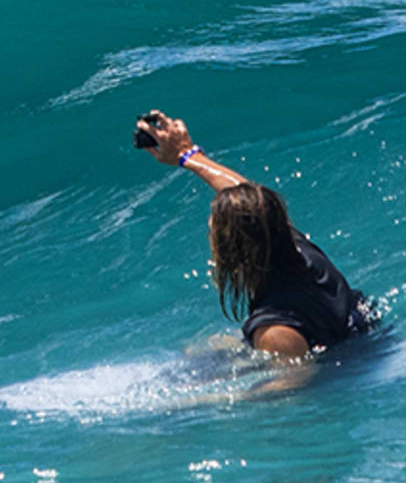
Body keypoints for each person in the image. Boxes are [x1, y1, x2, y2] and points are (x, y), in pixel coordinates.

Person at [133, 110, 378, 362]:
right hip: (359, 333)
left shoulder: (274, 331)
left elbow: (295, 382)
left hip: (349, 366)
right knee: (200, 349)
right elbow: (247, 197)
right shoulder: (293, 248)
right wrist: (187, 155)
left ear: (233, 252)